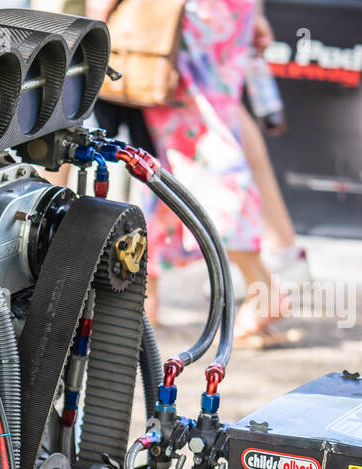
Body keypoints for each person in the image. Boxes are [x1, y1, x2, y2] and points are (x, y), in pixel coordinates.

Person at [88, 0, 297, 347]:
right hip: (221, 14)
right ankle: (144, 296)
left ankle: (261, 287)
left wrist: (100, 10)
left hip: (186, 19)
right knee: (174, 153)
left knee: (199, 152)